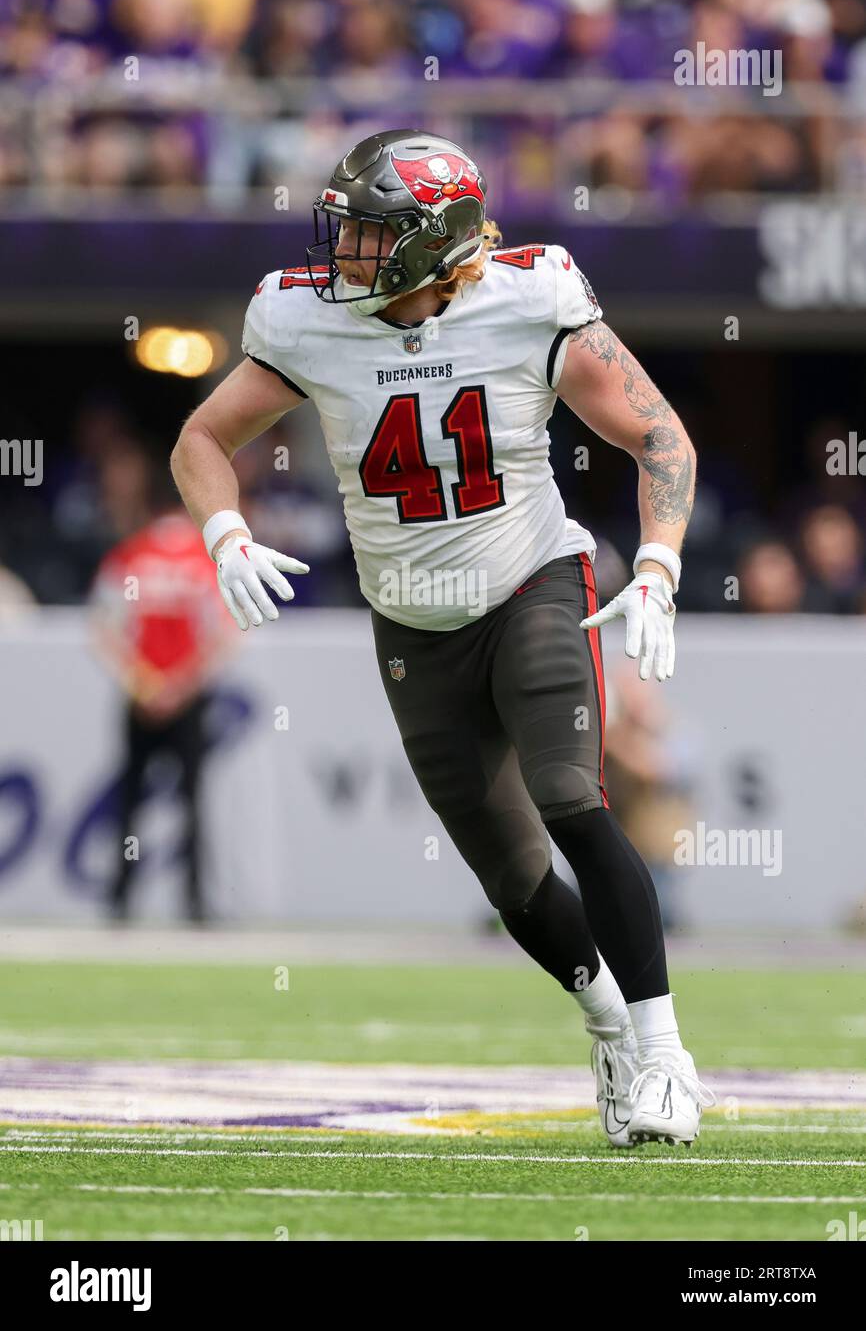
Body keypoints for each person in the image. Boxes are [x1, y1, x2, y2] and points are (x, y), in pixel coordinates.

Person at [171, 128, 714, 1146]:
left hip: (530, 584)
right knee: (509, 877)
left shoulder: (531, 296)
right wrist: (224, 529)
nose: (346, 253)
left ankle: (665, 1056)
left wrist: (657, 566)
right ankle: (606, 1022)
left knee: (571, 799)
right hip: (411, 622)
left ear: (433, 241)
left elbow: (657, 435)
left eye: (372, 235)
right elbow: (201, 438)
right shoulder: (300, 315)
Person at [91, 502, 235, 922]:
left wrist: (142, 683)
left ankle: (119, 902)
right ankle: (196, 906)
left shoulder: (131, 554)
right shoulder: (203, 559)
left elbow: (101, 628)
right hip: (186, 700)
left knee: (131, 800)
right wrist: (181, 686)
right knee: (192, 803)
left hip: (142, 696)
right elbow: (225, 635)